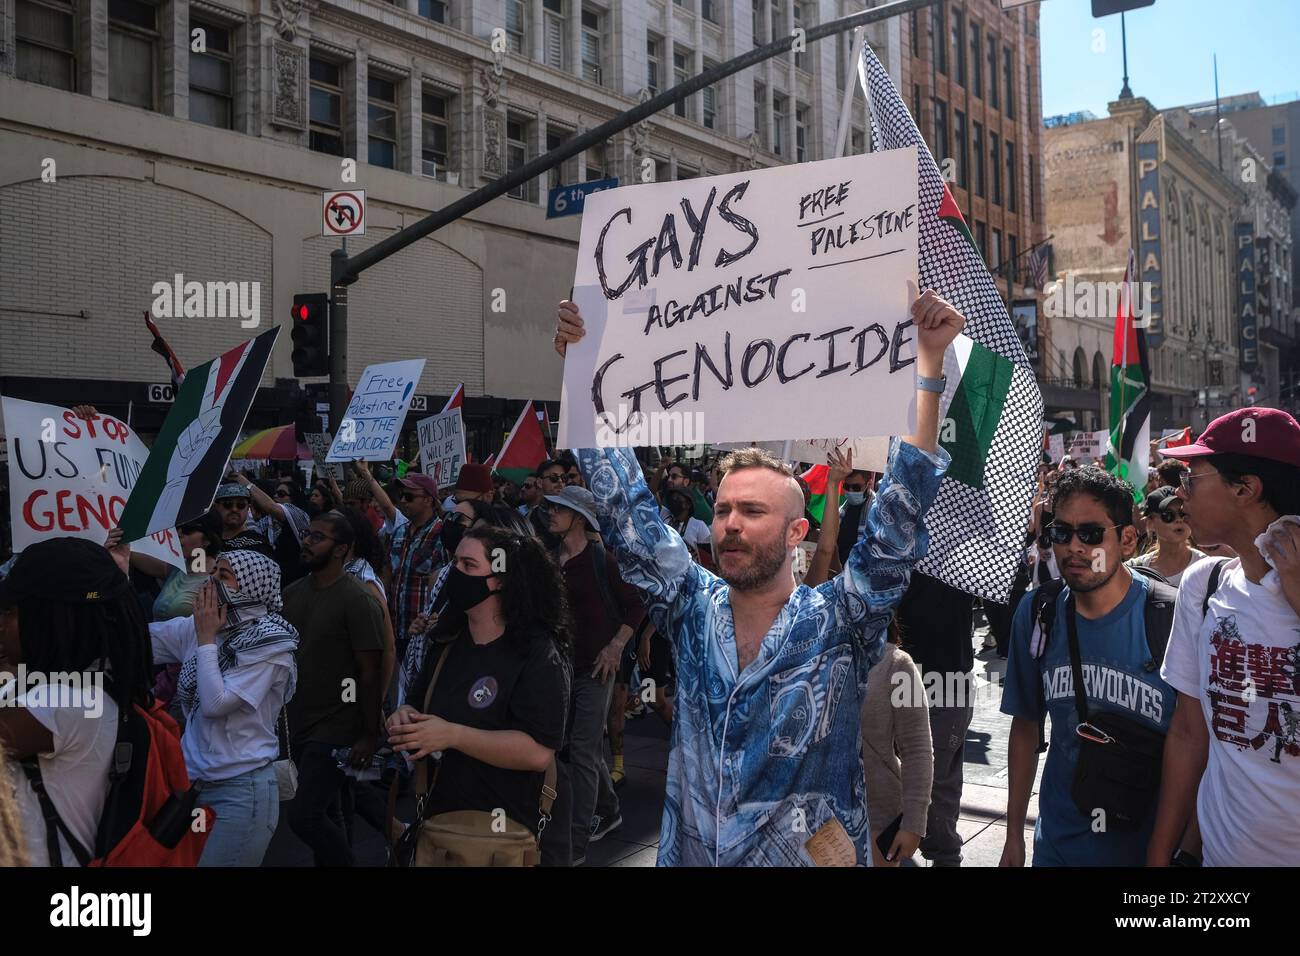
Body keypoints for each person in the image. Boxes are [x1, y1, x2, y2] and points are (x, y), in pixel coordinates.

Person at [553, 290, 959, 865]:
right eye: (722, 511)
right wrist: (582, 369)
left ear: (797, 533)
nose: (731, 526)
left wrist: (928, 366)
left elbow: (897, 517)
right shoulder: (692, 607)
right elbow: (626, 514)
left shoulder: (838, 624)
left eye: (752, 512)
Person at [1000, 467, 1177, 867]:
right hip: (1058, 846)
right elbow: (1026, 725)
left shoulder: (1170, 617)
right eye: (1062, 533)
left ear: (1127, 539)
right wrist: (1014, 836)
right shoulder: (1038, 612)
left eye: (1091, 534)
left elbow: (1195, 747)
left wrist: (1169, 852)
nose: (1073, 548)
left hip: (1144, 848)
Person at [1148, 408, 1300, 867]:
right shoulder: (1203, 585)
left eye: (1193, 479)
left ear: (1245, 488)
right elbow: (1190, 733)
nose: (1179, 493)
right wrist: (1160, 856)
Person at [386, 526, 570, 846]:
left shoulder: (538, 653)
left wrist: (453, 735)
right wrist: (404, 716)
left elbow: (538, 752)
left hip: (510, 830)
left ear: (500, 580)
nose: (454, 573)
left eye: (468, 566)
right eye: (454, 562)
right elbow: (415, 701)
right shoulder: (447, 642)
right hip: (444, 823)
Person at [0, 537, 153, 866]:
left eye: (10, 612)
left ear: (47, 620)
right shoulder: (91, 687)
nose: (2, 624)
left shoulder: (61, 700)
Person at [140, 549, 299, 867]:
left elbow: (215, 704)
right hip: (192, 786)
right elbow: (135, 640)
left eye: (224, 576)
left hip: (242, 792)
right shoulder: (198, 628)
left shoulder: (271, 646)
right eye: (212, 573)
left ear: (253, 588)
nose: (211, 582)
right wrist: (116, 570)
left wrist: (206, 640)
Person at [543, 484, 645, 861]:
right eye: (551, 507)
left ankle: (576, 840)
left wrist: (615, 647)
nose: (550, 513)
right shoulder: (549, 559)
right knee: (579, 748)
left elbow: (635, 606)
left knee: (582, 752)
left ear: (579, 519)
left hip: (596, 671)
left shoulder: (604, 561)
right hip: (560, 670)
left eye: (559, 508)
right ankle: (610, 809)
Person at [283, 512, 387, 866]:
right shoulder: (292, 593)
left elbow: (370, 672)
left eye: (317, 538)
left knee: (304, 815)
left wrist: (369, 735)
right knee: (332, 810)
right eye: (307, 535)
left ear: (341, 549)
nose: (307, 542)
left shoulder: (358, 599)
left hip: (337, 728)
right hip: (300, 723)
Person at [896, 571, 974, 866]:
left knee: (937, 783)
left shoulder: (969, 551)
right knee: (893, 777)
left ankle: (944, 856)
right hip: (900, 673)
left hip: (949, 679)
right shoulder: (893, 540)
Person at [861, 625, 932, 868]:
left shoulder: (897, 664)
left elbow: (918, 748)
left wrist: (914, 822)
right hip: (814, 819)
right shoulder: (810, 655)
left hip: (878, 816)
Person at [386, 471, 445, 696]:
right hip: (396, 627)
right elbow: (389, 573)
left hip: (422, 631)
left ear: (428, 499)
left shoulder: (442, 533)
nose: (402, 501)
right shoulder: (400, 530)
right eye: (401, 495)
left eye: (409, 496)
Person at [230, 471, 314, 585]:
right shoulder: (269, 520)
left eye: (281, 494)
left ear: (293, 499)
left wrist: (244, 482)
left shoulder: (299, 515)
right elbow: (254, 534)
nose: (275, 496)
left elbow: (271, 507)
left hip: (297, 581)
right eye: (275, 493)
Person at [1127, 486, 1206, 587]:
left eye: (1183, 513)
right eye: (1168, 515)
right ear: (1150, 523)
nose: (1179, 520)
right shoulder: (1135, 570)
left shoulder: (1207, 566)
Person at [212, 481, 275, 558]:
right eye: (228, 504)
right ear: (216, 507)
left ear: (248, 508)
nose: (234, 509)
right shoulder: (208, 540)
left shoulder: (258, 544)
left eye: (241, 505)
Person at [662, 488, 714, 571]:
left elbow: (708, 558)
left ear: (688, 504)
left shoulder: (699, 526)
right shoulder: (665, 516)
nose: (673, 502)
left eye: (677, 499)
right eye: (672, 499)